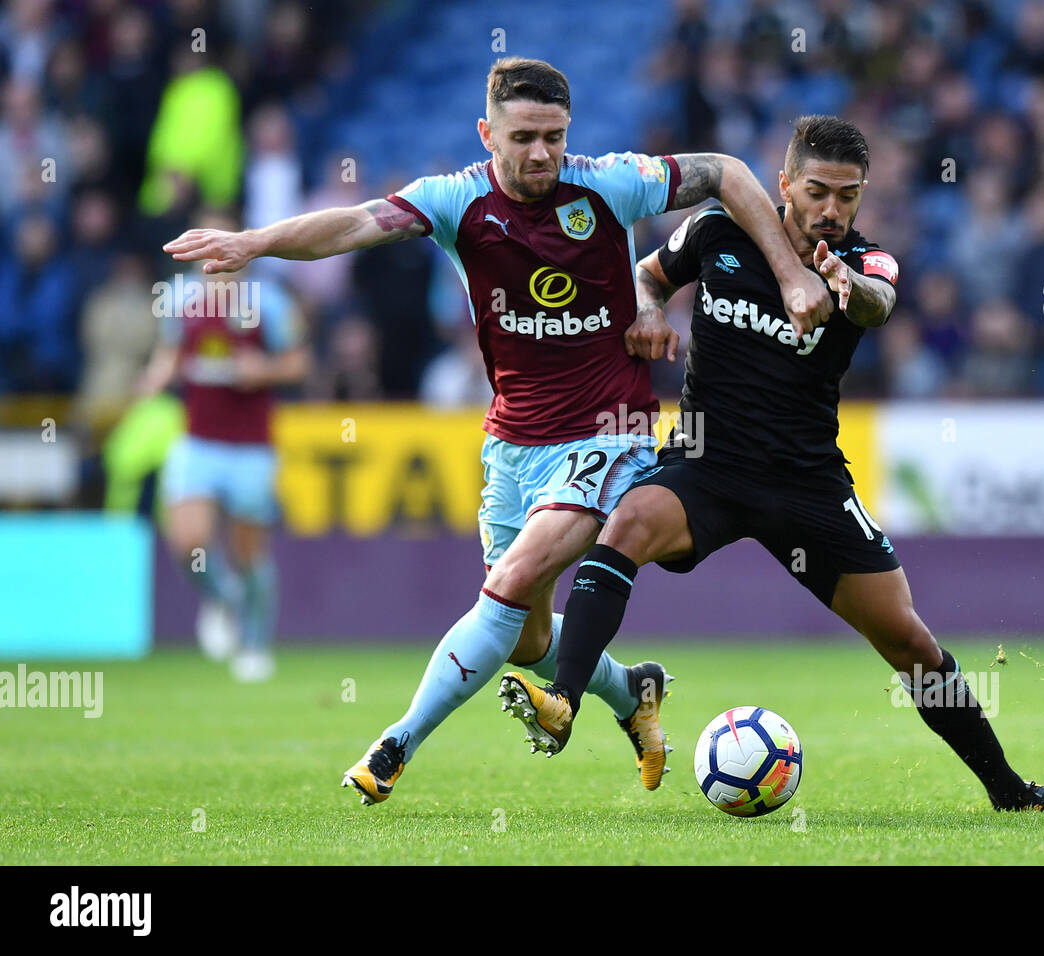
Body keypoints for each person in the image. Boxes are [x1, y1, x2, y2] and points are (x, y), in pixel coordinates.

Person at [163, 58, 832, 803]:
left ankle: (393, 748)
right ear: (488, 134)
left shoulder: (610, 183)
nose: (541, 153)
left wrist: (791, 274)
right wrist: (255, 242)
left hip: (609, 436)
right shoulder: (456, 201)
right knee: (527, 639)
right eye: (522, 137)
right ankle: (633, 691)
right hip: (513, 445)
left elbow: (728, 172)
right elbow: (354, 225)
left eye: (553, 136)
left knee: (505, 585)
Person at [501, 115, 1044, 813]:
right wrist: (647, 311)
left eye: (848, 196)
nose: (831, 210)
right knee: (628, 525)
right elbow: (647, 276)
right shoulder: (715, 233)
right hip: (709, 461)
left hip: (807, 480)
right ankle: (564, 701)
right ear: (784, 183)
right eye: (818, 191)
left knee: (908, 640)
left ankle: (1012, 794)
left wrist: (849, 285)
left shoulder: (867, 262)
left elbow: (882, 302)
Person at [139, 209, 309, 682]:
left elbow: (298, 363)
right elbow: (171, 353)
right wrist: (154, 378)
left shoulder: (269, 302)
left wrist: (265, 370)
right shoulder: (178, 298)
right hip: (198, 440)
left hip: (251, 446)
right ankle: (222, 599)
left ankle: (255, 644)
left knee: (248, 550)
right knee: (186, 540)